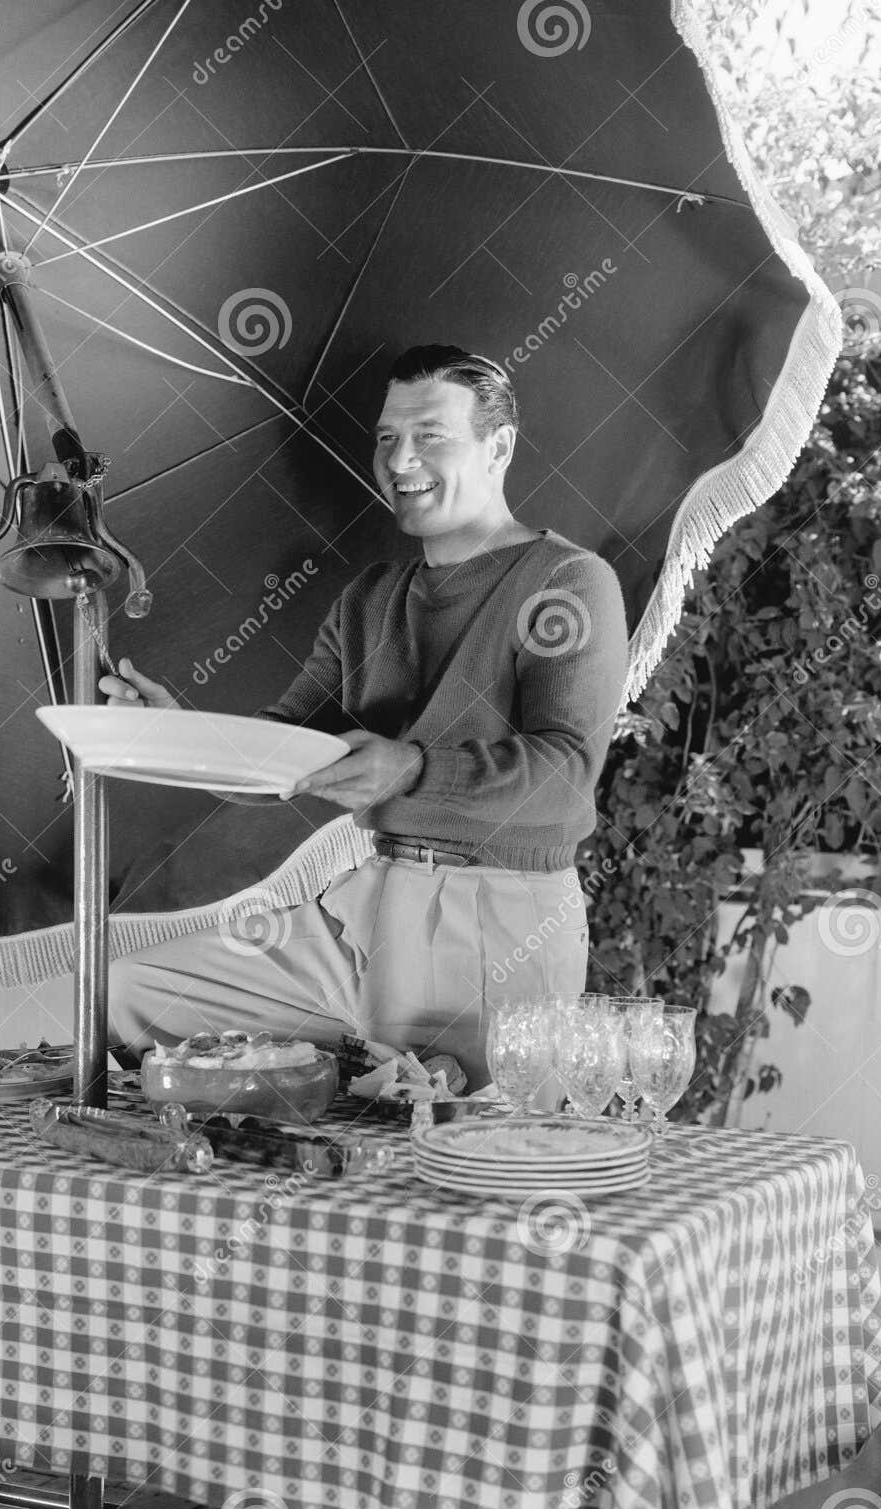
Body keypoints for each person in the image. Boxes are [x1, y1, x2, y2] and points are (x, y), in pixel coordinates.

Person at [101, 344, 628, 1090]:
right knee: (129, 994)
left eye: (430, 435)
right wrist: (178, 734)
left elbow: (566, 777)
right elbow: (285, 752)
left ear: (499, 446)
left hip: (496, 919)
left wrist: (410, 766)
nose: (399, 459)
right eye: (386, 438)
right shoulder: (370, 598)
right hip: (363, 911)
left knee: (454, 1149)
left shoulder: (569, 581)